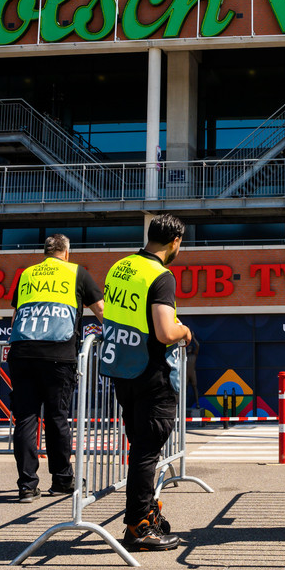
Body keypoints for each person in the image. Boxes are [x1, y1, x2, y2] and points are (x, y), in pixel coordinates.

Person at [99, 214, 193, 552]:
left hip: (124, 370)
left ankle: (145, 513)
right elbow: (165, 331)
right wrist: (185, 331)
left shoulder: (119, 267)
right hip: (153, 374)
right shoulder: (161, 276)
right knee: (146, 451)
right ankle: (138, 525)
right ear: (174, 242)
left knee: (139, 447)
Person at [7, 233, 104, 503]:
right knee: (56, 418)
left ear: (46, 252)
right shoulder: (77, 273)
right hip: (58, 354)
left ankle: (27, 486)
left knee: (26, 419)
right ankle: (62, 480)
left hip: (22, 352)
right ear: (67, 252)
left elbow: (16, 316)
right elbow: (101, 310)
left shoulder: (27, 274)